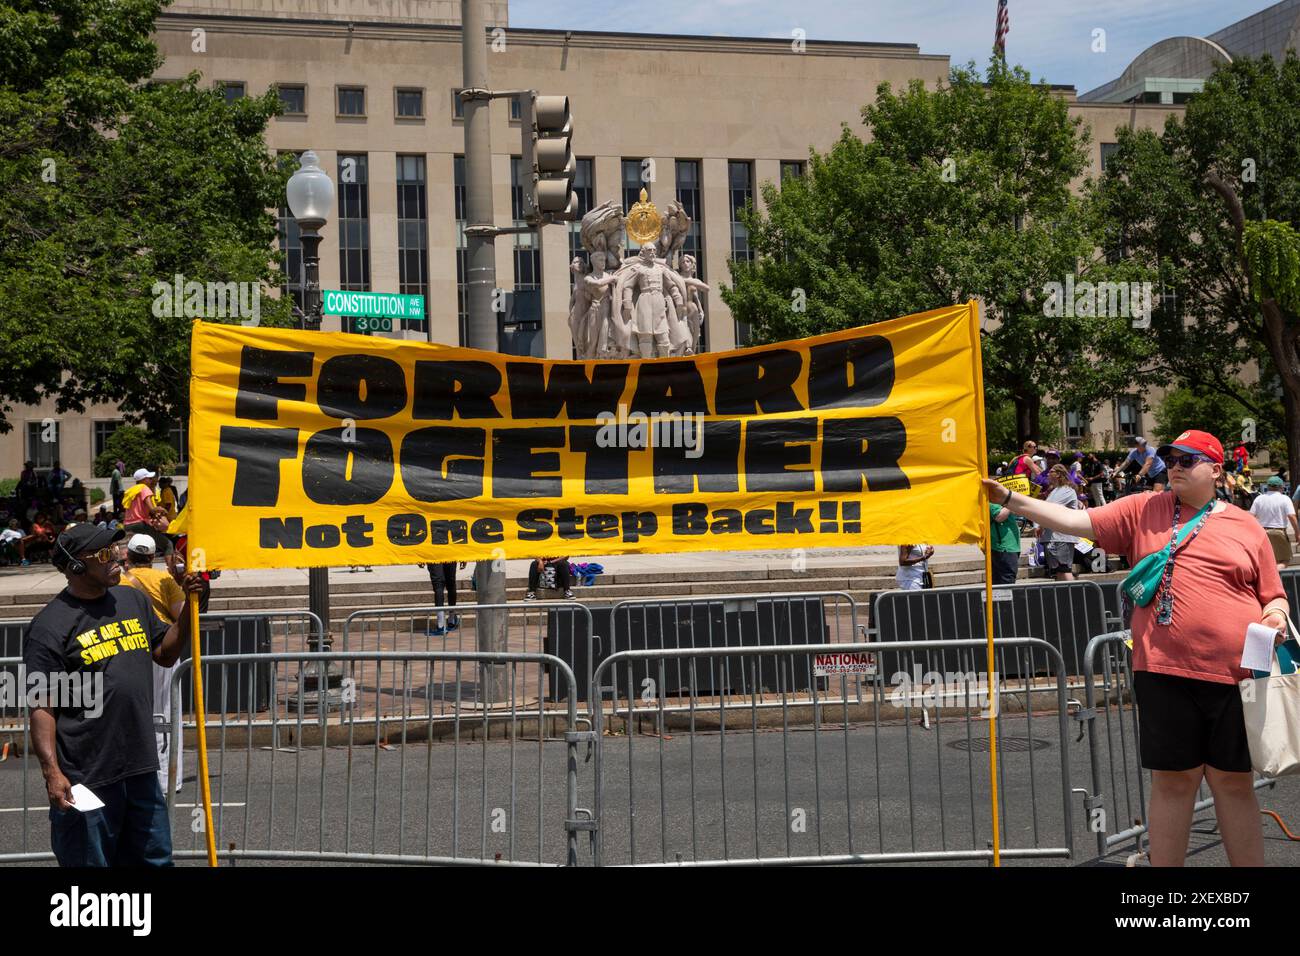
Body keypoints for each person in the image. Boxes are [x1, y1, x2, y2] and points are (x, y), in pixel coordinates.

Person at [983, 429, 1287, 867]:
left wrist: (1275, 616)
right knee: (1173, 782)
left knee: (1233, 782)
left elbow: (1272, 594)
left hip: (1235, 676)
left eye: (1187, 459)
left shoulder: (1245, 524)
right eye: (1170, 458)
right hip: (1163, 672)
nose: (1175, 465)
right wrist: (1009, 500)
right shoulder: (1145, 508)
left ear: (1217, 470)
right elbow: (1076, 522)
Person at [22, 523, 203, 866]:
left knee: (155, 861)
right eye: (104, 553)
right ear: (75, 566)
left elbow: (165, 653)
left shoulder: (131, 599)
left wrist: (191, 611)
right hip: (86, 776)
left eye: (116, 549)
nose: (118, 556)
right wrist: (52, 772)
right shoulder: (49, 626)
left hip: (141, 767)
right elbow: (41, 705)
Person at [119, 534, 187, 794]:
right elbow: (181, 614)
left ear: (129, 555)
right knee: (167, 711)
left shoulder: (121, 581)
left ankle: (139, 775)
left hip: (131, 650)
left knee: (136, 713)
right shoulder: (164, 579)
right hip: (163, 647)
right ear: (152, 556)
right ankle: (170, 779)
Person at [1038, 465, 1080, 581]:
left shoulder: (1066, 490)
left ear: (1058, 474)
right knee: (1059, 572)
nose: (1047, 474)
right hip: (1054, 537)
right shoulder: (1054, 491)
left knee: (1064, 570)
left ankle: (1072, 595)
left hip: (1061, 537)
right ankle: (1065, 597)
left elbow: (1049, 508)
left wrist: (1040, 525)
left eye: (1050, 472)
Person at [1249, 475, 1298, 567]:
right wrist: (1297, 533)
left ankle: (1270, 576)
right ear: (1281, 487)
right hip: (1279, 532)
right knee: (1285, 560)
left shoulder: (1259, 499)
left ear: (1268, 487)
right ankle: (1275, 574)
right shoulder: (1285, 498)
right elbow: (1292, 516)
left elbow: (1250, 516)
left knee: (1267, 560)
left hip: (1262, 533)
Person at [424, 561, 462, 636]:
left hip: (434, 554)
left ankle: (441, 625)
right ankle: (451, 621)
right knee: (451, 583)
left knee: (438, 585)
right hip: (449, 552)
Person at [989, 499, 1020, 585]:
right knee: (1006, 579)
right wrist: (1010, 503)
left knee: (1003, 579)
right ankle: (1005, 598)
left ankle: (1000, 598)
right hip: (1003, 546)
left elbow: (1017, 513)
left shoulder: (1001, 501)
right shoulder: (990, 499)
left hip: (1009, 546)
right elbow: (999, 516)